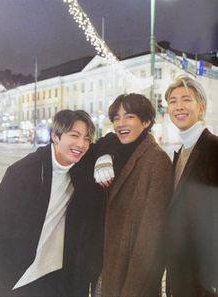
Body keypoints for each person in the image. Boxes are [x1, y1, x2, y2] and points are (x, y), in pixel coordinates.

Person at [0, 109, 104, 297]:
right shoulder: (24, 171)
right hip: (19, 277)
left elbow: (111, 142)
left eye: (87, 138)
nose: (81, 144)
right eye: (74, 135)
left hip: (58, 276)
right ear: (55, 136)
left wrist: (106, 158)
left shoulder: (83, 167)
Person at [93, 93, 173, 297]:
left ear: (146, 122)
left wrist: (135, 289)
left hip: (132, 277)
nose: (121, 123)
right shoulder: (117, 152)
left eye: (129, 116)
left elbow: (153, 236)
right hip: (107, 268)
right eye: (116, 118)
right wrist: (103, 154)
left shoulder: (157, 161)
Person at [165, 75, 218, 297]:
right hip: (181, 269)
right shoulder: (181, 153)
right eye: (173, 101)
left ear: (201, 107)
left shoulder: (213, 148)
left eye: (186, 99)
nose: (178, 107)